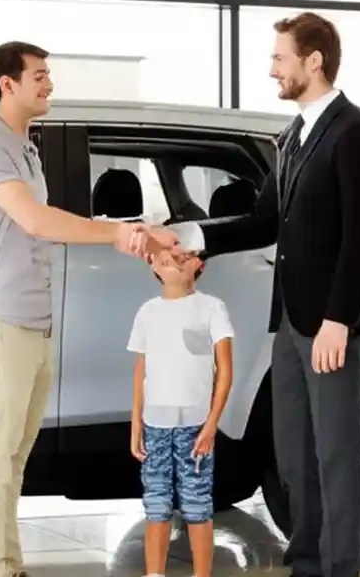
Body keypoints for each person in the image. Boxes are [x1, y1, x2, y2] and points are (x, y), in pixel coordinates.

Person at [152, 12, 360, 577]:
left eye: (280, 58)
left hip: (330, 325)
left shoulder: (356, 130)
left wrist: (338, 318)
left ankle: (339, 568)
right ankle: (306, 562)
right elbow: (263, 223)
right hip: (290, 324)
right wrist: (191, 241)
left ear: (314, 61)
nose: (271, 69)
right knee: (293, 454)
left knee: (334, 456)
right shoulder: (292, 137)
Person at [0, 41, 162, 577]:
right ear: (8, 83)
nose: (50, 84)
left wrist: (143, 234)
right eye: (40, 75)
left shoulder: (25, 147)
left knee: (14, 454)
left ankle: (8, 564)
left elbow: (44, 219)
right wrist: (117, 234)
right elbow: (38, 221)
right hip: (2, 318)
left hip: (35, 319)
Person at [129, 247, 233, 577]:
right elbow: (140, 371)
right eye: (163, 255)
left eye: (182, 255)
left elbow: (225, 370)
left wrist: (211, 425)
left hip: (195, 426)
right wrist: (136, 424)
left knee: (197, 504)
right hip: (155, 425)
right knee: (156, 503)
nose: (172, 260)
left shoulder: (212, 308)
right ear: (153, 267)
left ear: (199, 264)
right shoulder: (147, 312)